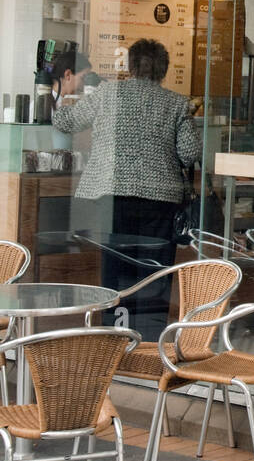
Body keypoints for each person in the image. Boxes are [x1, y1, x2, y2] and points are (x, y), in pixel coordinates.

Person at [52, 39, 202, 333]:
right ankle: (147, 338)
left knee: (116, 268)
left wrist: (55, 93)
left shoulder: (108, 93)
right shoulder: (176, 103)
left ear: (130, 65)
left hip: (112, 197)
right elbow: (189, 153)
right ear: (164, 70)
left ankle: (115, 336)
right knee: (154, 271)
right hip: (159, 200)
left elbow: (66, 121)